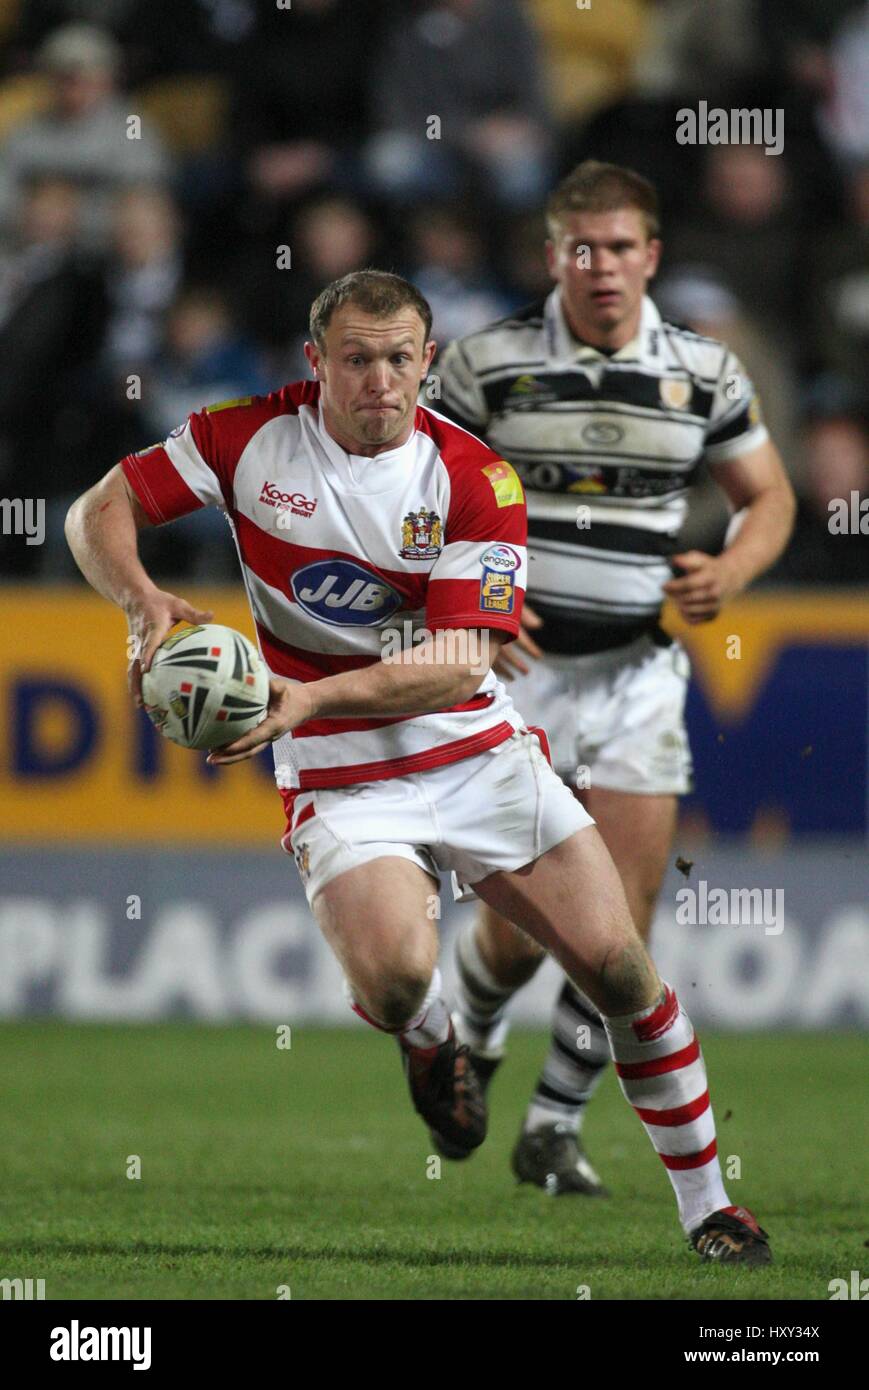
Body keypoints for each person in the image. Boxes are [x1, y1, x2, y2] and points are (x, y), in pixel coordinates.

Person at [65, 268, 771, 1264]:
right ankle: (432, 1031)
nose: (379, 381)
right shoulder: (246, 438)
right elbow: (96, 511)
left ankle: (709, 1208)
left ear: (426, 362)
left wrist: (302, 694)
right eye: (355, 359)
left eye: (400, 359)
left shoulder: (475, 479)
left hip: (472, 749)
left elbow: (458, 664)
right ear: (316, 363)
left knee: (619, 969)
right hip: (336, 768)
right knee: (395, 977)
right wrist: (140, 600)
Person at [437, 163, 795, 1196]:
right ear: (551, 256)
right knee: (513, 935)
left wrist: (730, 565)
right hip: (517, 681)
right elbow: (414, 502)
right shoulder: (484, 364)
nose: (600, 266)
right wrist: (466, 603)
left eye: (619, 246)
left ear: (652, 255)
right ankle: (471, 1035)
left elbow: (764, 497)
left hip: (637, 672)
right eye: (579, 248)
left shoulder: (703, 372)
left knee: (619, 934)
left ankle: (550, 1125)